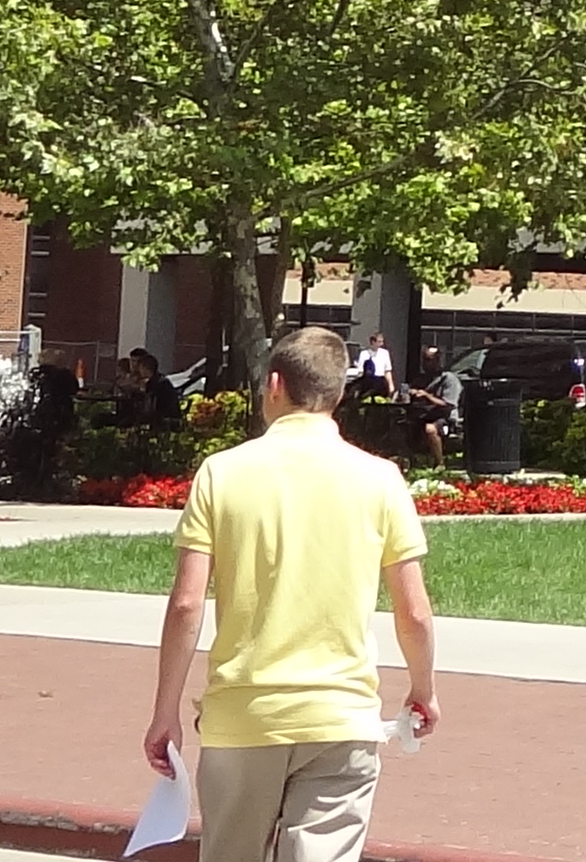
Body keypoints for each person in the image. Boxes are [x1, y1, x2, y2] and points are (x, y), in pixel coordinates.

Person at [145, 328, 435, 862]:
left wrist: (165, 713)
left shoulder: (221, 473)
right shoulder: (381, 479)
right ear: (338, 393)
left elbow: (187, 603)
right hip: (340, 716)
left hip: (243, 717)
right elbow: (413, 612)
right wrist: (423, 688)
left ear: (274, 385)